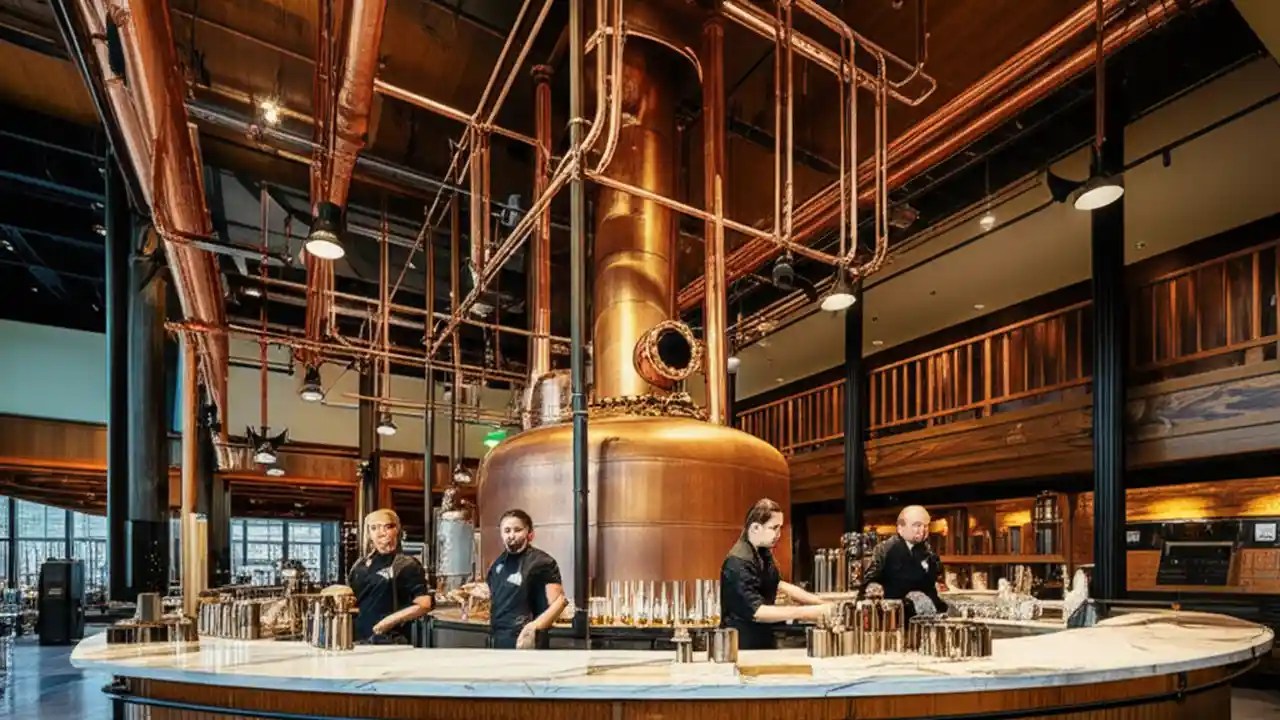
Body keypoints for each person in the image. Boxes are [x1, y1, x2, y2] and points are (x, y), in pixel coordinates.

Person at [720, 498, 832, 650]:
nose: (779, 534)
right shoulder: (737, 562)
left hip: (761, 639)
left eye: (780, 528)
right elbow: (757, 612)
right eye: (774, 528)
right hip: (741, 645)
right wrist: (807, 612)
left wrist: (821, 602)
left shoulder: (763, 553)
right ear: (755, 528)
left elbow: (779, 584)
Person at [347, 508, 434, 644]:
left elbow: (424, 604)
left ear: (397, 530)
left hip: (391, 641)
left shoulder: (406, 565)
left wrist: (387, 623)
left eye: (387, 527)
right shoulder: (360, 565)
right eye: (374, 528)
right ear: (369, 534)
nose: (381, 533)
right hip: (358, 641)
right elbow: (354, 601)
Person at [485, 509, 567, 649]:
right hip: (497, 640)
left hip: (529, 642)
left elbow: (560, 603)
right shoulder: (497, 563)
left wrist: (532, 628)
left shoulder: (543, 562)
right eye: (507, 530)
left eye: (517, 530)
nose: (511, 535)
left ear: (530, 534)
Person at [863, 505, 948, 616]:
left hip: (925, 617)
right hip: (895, 616)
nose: (922, 530)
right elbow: (870, 583)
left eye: (926, 526)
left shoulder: (927, 550)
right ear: (900, 528)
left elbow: (933, 583)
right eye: (917, 525)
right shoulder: (886, 549)